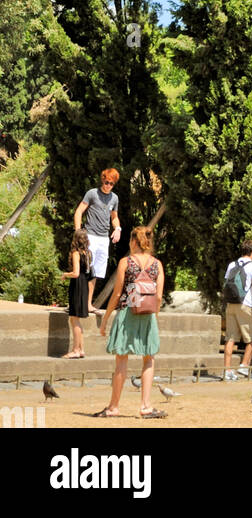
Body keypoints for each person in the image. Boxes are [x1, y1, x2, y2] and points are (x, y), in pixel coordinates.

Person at [95, 225, 164, 419]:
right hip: (148, 315)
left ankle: (114, 407)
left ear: (134, 241)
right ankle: (146, 406)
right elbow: (158, 296)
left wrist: (106, 318)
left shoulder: (126, 262)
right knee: (149, 359)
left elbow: (117, 293)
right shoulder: (157, 265)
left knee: (121, 361)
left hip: (127, 313)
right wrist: (154, 316)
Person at [73, 169, 121, 312]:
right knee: (83, 270)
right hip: (90, 236)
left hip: (103, 239)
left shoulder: (114, 198)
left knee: (95, 273)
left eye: (111, 184)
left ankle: (87, 304)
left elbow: (114, 217)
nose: (108, 185)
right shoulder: (92, 193)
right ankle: (75, 303)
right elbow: (79, 211)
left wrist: (118, 229)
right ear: (102, 180)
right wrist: (78, 231)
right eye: (106, 182)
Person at [222, 239, 252, 381]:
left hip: (231, 303)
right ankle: (244, 366)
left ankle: (227, 370)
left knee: (230, 338)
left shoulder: (231, 265)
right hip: (245, 304)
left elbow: (226, 283)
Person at [60, 229, 94, 359]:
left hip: (77, 285)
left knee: (74, 319)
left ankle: (75, 350)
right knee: (77, 320)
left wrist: (65, 275)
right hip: (84, 285)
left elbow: (76, 272)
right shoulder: (88, 253)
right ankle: (81, 349)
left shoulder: (76, 253)